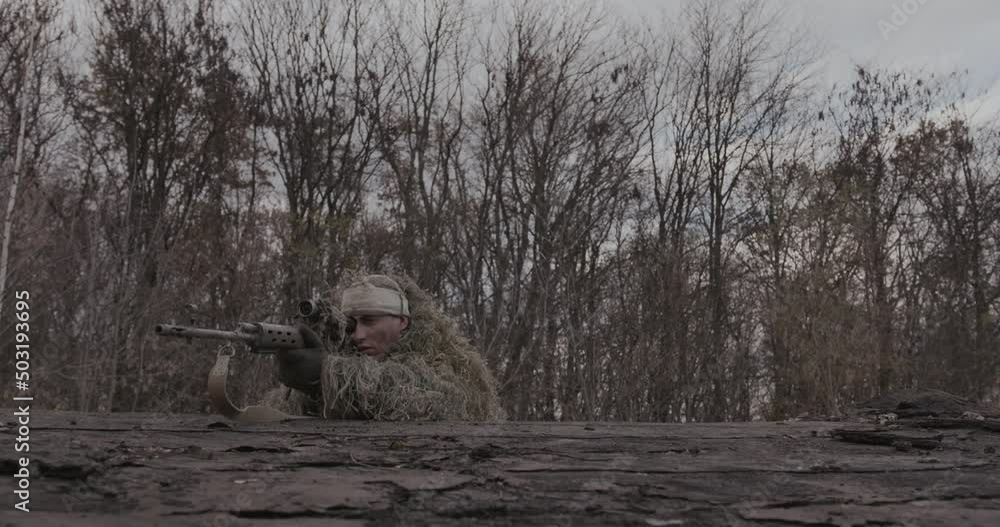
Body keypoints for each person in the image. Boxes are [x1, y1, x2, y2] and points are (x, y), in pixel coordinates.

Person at [262, 273, 504, 421]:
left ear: (402, 321)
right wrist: (305, 389)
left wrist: (328, 374)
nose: (358, 335)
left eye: (369, 321)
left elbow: (429, 401)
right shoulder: (348, 353)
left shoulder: (443, 353)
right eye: (352, 324)